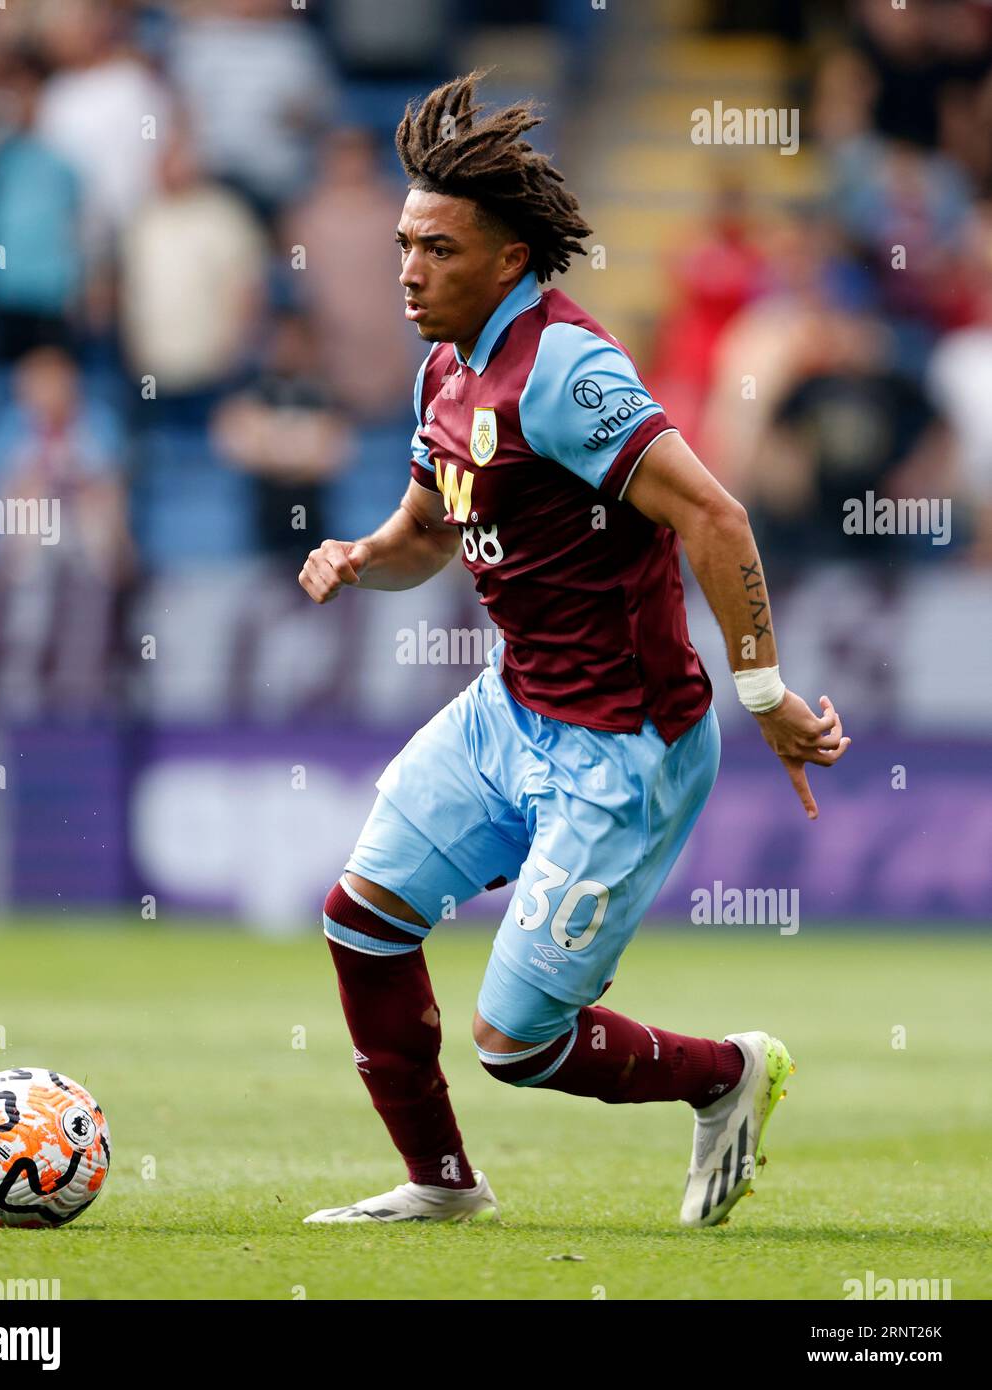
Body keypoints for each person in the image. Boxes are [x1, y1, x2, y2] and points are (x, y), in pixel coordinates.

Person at [297, 72, 850, 1229]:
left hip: (623, 743)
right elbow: (428, 537)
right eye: (403, 244)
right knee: (362, 916)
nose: (407, 270)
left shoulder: (564, 370)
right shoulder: (445, 370)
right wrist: (361, 553)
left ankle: (727, 1072)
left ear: (508, 261)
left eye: (437, 250)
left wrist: (767, 694)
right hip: (511, 709)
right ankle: (441, 1186)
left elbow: (717, 516)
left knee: (516, 1043)